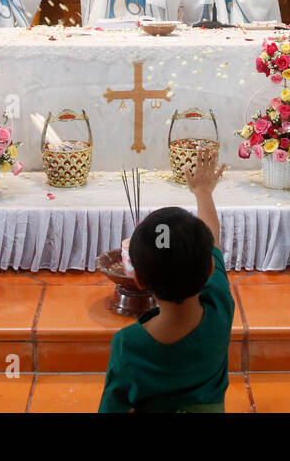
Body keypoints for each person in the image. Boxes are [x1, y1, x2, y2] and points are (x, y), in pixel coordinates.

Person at [99, 148, 233, 413]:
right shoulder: (220, 306)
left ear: (137, 278)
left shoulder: (128, 344)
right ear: (209, 268)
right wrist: (203, 192)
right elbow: (213, 240)